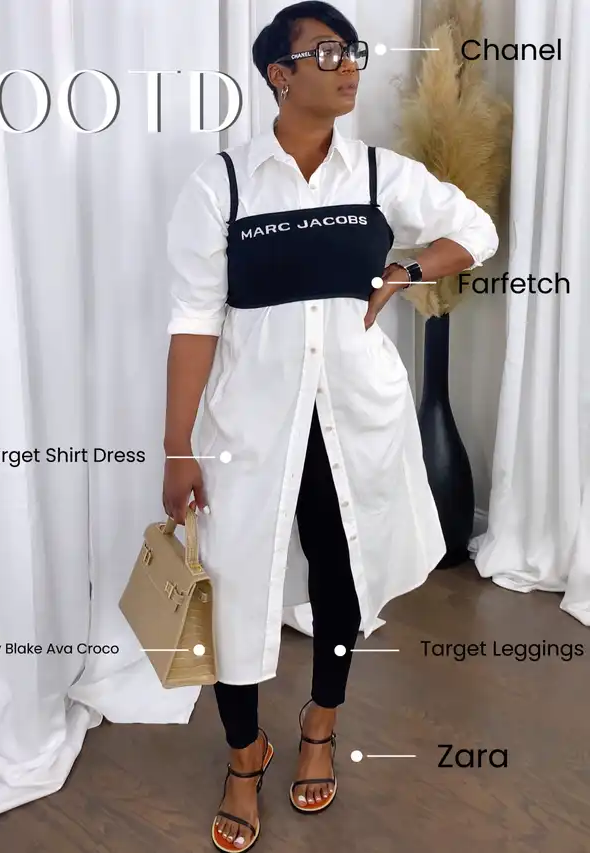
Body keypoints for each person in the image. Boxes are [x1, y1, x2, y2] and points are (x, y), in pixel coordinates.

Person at [162, 2, 499, 850]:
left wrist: (408, 269)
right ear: (279, 74)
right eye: (325, 53)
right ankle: (244, 755)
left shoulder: (381, 173)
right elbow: (194, 321)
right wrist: (176, 446)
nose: (348, 66)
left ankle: (321, 722)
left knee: (340, 573)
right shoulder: (223, 184)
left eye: (352, 51)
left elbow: (476, 230)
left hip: (356, 417)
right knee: (233, 582)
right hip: (249, 423)